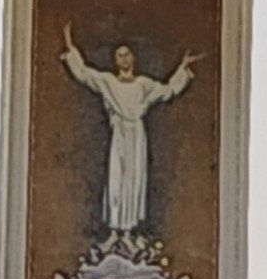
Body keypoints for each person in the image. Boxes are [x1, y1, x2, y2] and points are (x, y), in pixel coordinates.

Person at [60, 24, 202, 234]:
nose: (124, 59)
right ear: (115, 60)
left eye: (127, 55)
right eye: (120, 55)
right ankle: (114, 232)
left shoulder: (143, 84)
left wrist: (183, 67)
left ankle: (127, 234)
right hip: (119, 133)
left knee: (134, 179)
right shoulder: (108, 82)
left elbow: (167, 90)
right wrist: (70, 45)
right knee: (116, 178)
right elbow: (83, 73)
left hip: (136, 134)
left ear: (133, 58)